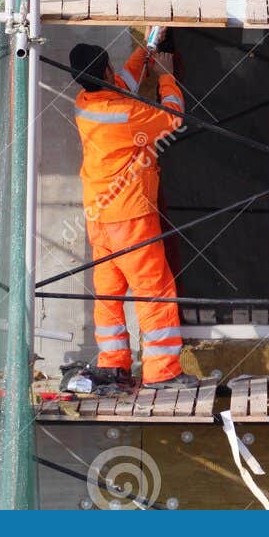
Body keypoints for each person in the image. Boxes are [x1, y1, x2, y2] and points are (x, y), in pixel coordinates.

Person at [70, 38, 198, 387]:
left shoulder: (85, 102)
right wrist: (166, 77)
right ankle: (161, 371)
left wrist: (145, 52)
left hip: (98, 215)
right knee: (153, 289)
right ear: (106, 70)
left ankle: (113, 364)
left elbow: (121, 84)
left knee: (109, 292)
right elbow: (172, 118)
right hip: (130, 216)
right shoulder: (126, 114)